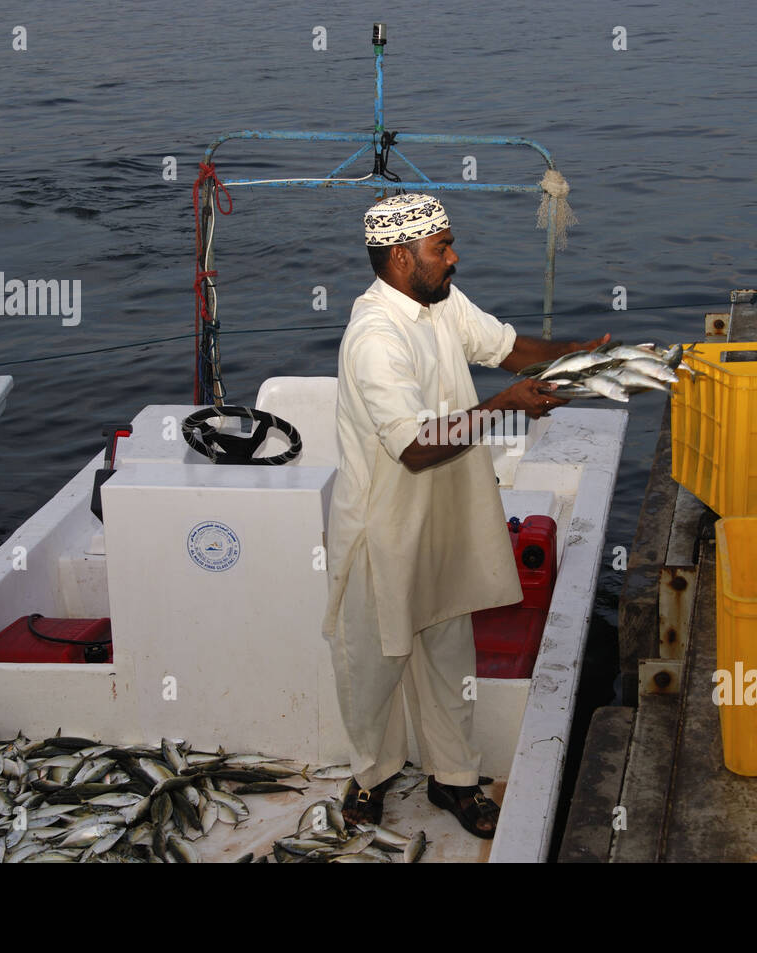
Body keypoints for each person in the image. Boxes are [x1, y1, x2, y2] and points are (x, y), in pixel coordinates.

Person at [323, 192, 607, 838]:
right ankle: (370, 776)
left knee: (450, 654)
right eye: (441, 247)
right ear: (401, 257)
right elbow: (417, 445)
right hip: (382, 533)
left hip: (442, 520)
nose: (455, 257)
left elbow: (508, 347)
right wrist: (506, 405)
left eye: (450, 244)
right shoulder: (374, 337)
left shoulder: (441, 303)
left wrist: (579, 353)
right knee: (373, 666)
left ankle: (453, 778)